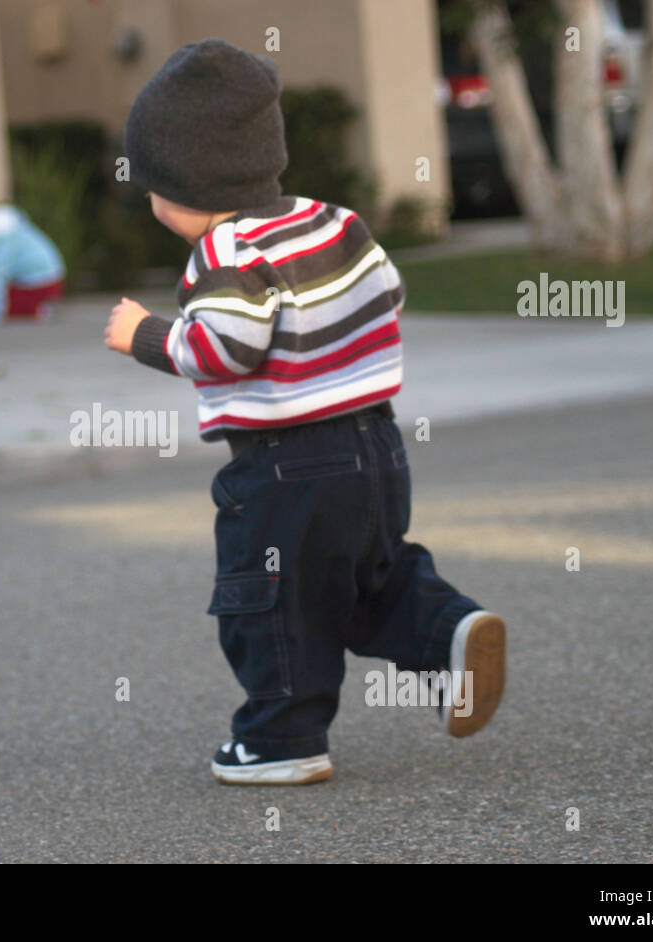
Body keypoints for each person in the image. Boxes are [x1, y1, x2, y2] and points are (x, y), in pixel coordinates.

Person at [103, 39, 507, 785]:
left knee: (270, 601)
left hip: (287, 467)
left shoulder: (224, 251)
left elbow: (225, 346)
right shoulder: (334, 220)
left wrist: (147, 336)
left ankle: (281, 741)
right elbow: (388, 292)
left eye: (151, 180)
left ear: (182, 178)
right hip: (377, 448)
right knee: (366, 580)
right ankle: (452, 632)